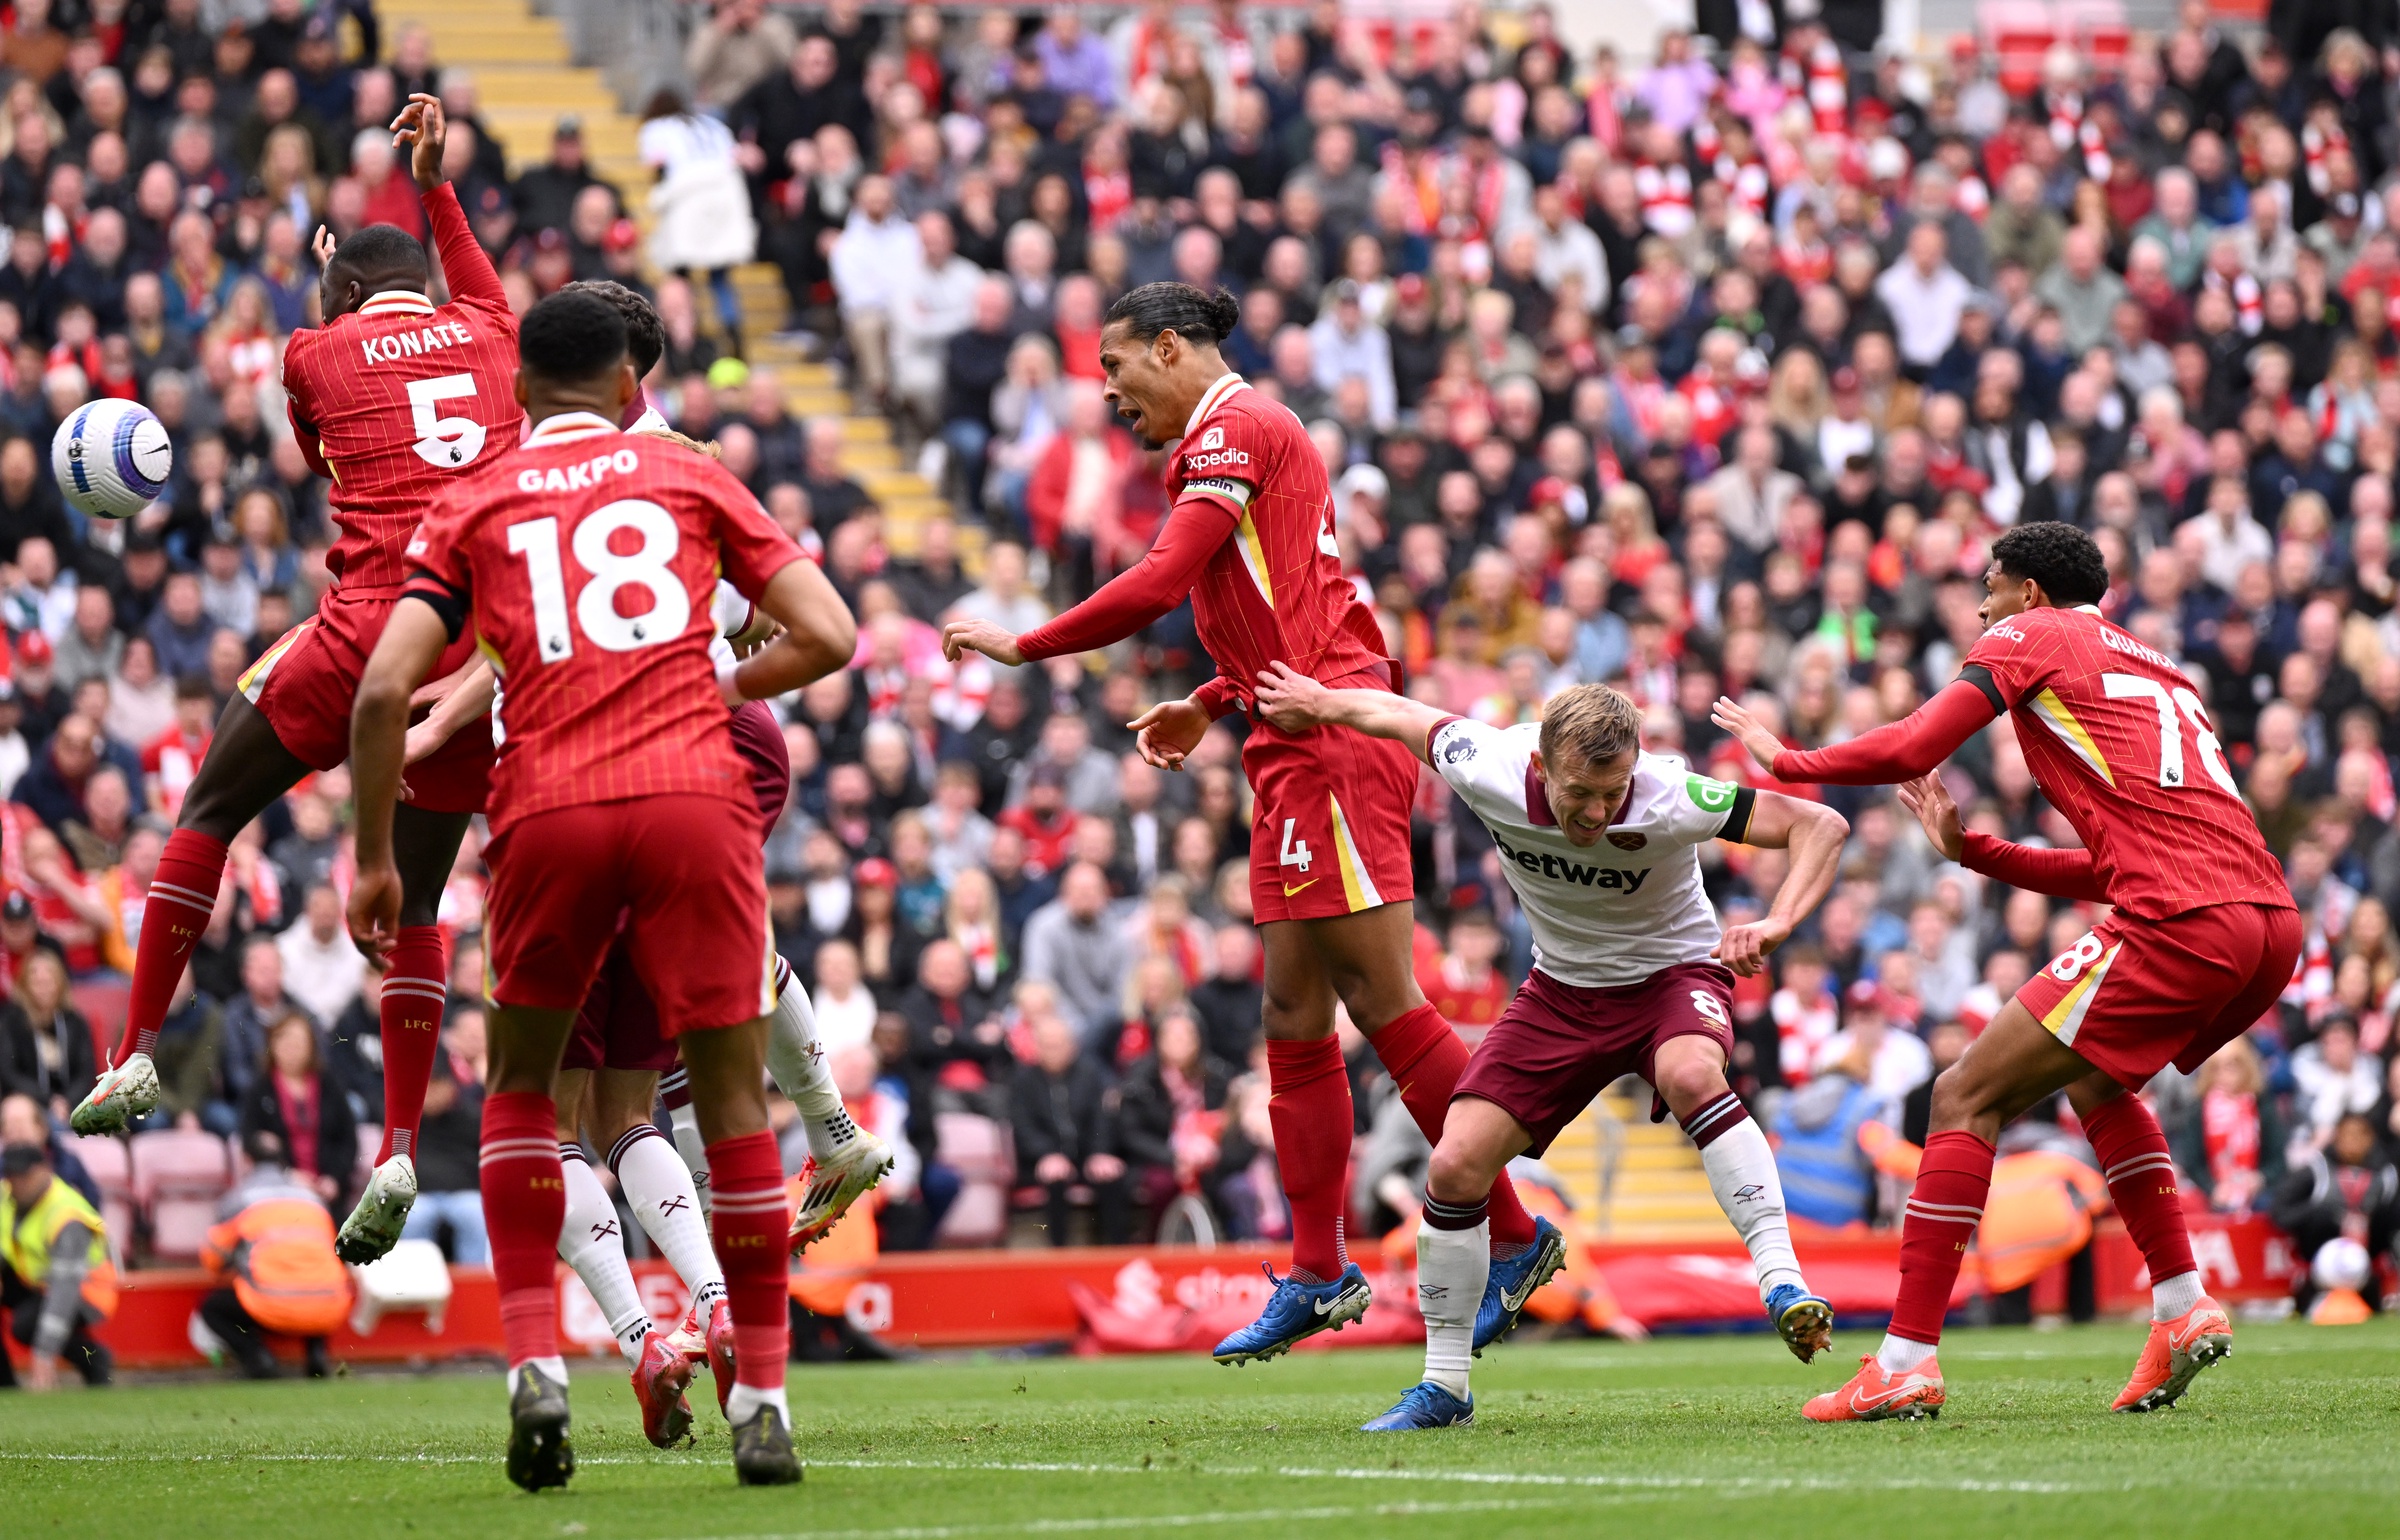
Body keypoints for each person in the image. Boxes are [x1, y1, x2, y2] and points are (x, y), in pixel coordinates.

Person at [942, 280, 1548, 1365]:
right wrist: (1213, 699)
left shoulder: (1238, 429)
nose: (1111, 392)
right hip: (1286, 737)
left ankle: (1512, 1231)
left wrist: (1025, 644)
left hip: (1331, 740)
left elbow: (1163, 579)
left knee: (1384, 1000)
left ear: (1171, 348)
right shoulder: (1235, 437)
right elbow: (1289, 606)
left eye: (1117, 366)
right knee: (1292, 1009)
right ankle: (1319, 1269)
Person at [347, 288, 855, 1488]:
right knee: (726, 1107)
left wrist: (375, 855)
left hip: (552, 808)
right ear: (632, 385)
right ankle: (764, 1402)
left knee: (524, 1097)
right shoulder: (688, 472)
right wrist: (714, 689)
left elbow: (380, 694)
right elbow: (830, 635)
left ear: (517, 389)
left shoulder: (477, 497)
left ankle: (537, 1366)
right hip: (694, 803)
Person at [71, 99, 520, 1281]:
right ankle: (399, 1145)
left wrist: (326, 298)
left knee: (210, 808)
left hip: (366, 629)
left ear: (341, 292)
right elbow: (470, 280)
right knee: (417, 905)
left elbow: (322, 442)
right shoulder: (493, 335)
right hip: (476, 659)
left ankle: (135, 1046)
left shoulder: (312, 351)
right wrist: (435, 185)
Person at [1713, 521, 2301, 1421]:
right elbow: (2118, 868)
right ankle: (2183, 1303)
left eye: (1989, 587)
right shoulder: (2160, 668)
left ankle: (1906, 1360)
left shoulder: (2029, 635)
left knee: (1962, 1096)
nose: (1981, 609)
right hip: (2267, 923)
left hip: (2185, 918)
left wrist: (1789, 760)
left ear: (2027, 590)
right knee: (2098, 1083)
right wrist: (1974, 852)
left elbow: (1914, 746)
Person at [1254, 672, 1848, 1429]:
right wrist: (1318, 702)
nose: (1598, 812)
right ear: (1539, 765)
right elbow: (1396, 711)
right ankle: (1444, 1388)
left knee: (1690, 1071)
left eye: (1614, 792)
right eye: (1581, 793)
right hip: (1561, 992)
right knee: (1454, 1165)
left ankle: (1782, 1281)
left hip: (1673, 977)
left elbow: (1819, 825)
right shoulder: (1486, 763)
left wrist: (1777, 922)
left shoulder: (1670, 793)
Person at [192, 1128, 353, 1379]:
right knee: (312, 1274)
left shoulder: (239, 1199)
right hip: (329, 1303)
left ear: (246, 1159)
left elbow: (212, 1259)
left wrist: (237, 1263)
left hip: (271, 1305)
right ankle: (316, 1354)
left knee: (213, 1308)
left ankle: (258, 1358)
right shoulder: (313, 1199)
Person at [0, 1111, 116, 1390]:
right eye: (12, 1175)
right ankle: (5, 1384)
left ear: (44, 1170)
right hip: (38, 1280)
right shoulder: (6, 1196)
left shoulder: (67, 1215)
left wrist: (44, 1352)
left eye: (24, 1175)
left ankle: (94, 1360)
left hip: (86, 1291)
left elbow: (64, 1292)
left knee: (25, 1326)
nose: (17, 1183)